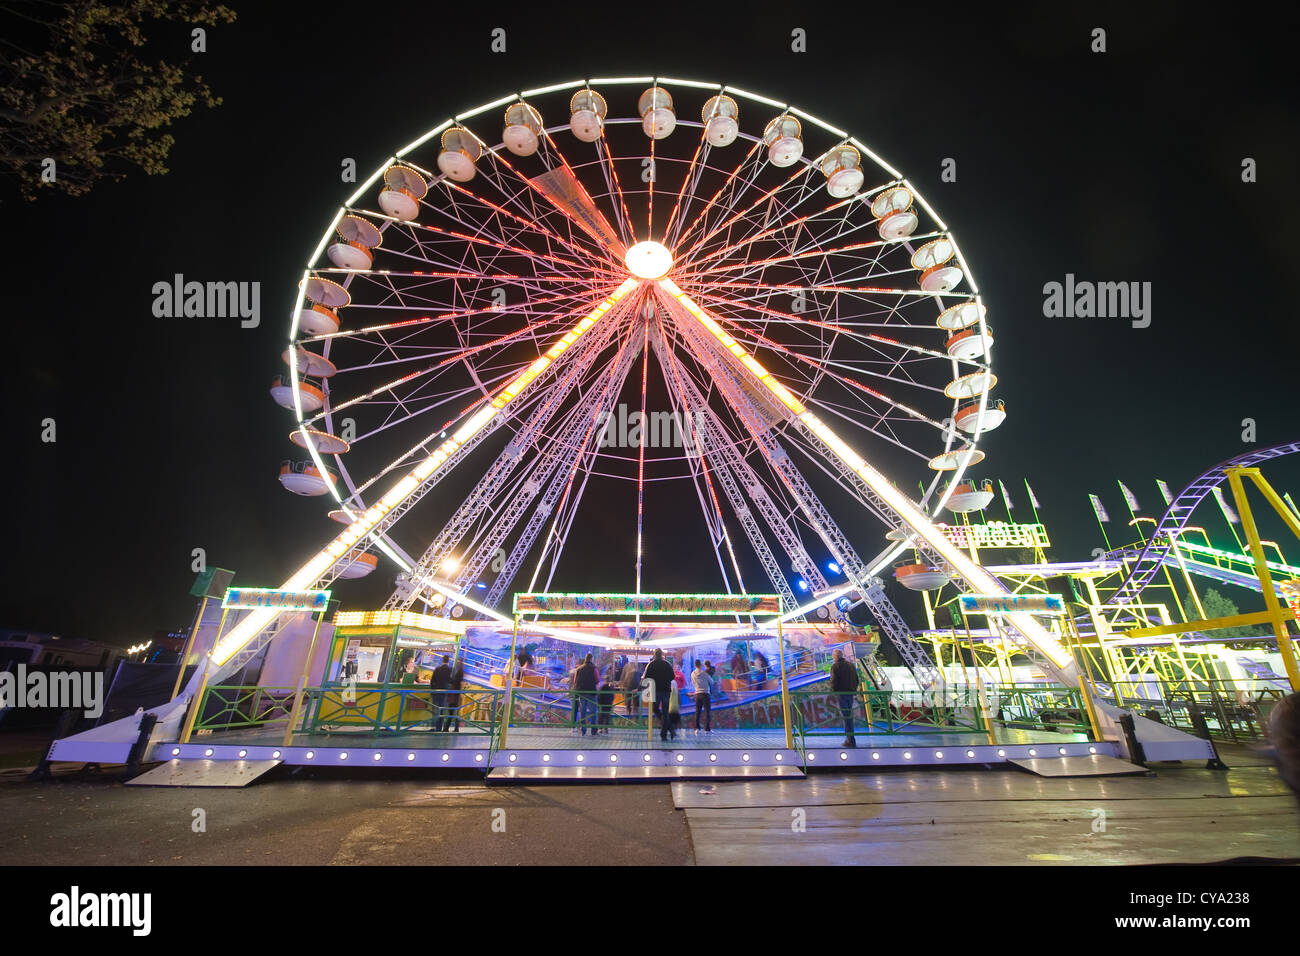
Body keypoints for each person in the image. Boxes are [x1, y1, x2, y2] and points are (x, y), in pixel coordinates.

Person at [642, 649, 676, 741]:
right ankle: (665, 733)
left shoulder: (651, 664)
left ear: (654, 654)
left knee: (655, 708)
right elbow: (673, 677)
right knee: (665, 713)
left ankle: (670, 729)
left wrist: (639, 688)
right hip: (665, 690)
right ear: (661, 655)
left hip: (655, 691)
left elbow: (645, 678)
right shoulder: (667, 664)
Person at [830, 649, 859, 747]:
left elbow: (834, 681)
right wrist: (853, 690)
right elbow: (856, 679)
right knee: (848, 716)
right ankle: (851, 739)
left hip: (841, 694)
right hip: (850, 693)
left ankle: (850, 740)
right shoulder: (851, 665)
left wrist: (834, 692)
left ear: (835, 656)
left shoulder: (835, 667)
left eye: (833, 656)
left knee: (846, 717)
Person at [573, 653, 599, 735]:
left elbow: (575, 681)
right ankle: (594, 730)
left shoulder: (578, 669)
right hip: (591, 692)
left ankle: (583, 729)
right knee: (593, 711)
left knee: (582, 712)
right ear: (591, 659)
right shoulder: (594, 668)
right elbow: (597, 680)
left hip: (581, 693)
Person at [430, 654, 452, 732]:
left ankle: (433, 726)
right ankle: (439, 728)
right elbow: (450, 680)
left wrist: (433, 691)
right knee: (442, 710)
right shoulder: (449, 669)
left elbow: (432, 681)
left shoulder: (437, 669)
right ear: (448, 661)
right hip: (444, 693)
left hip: (436, 692)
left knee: (434, 710)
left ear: (442, 660)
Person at [691, 660, 712, 734]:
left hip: (697, 694)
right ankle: (707, 729)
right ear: (700, 665)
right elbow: (711, 682)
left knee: (698, 711)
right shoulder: (704, 674)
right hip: (705, 694)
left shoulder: (692, 674)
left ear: (695, 665)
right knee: (707, 712)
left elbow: (693, 682)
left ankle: (697, 728)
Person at [446, 657, 464, 733]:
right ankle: (455, 728)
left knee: (451, 711)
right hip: (456, 695)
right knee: (455, 712)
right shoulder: (460, 671)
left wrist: (449, 680)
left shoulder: (459, 672)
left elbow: (455, 682)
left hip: (454, 695)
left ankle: (446, 728)